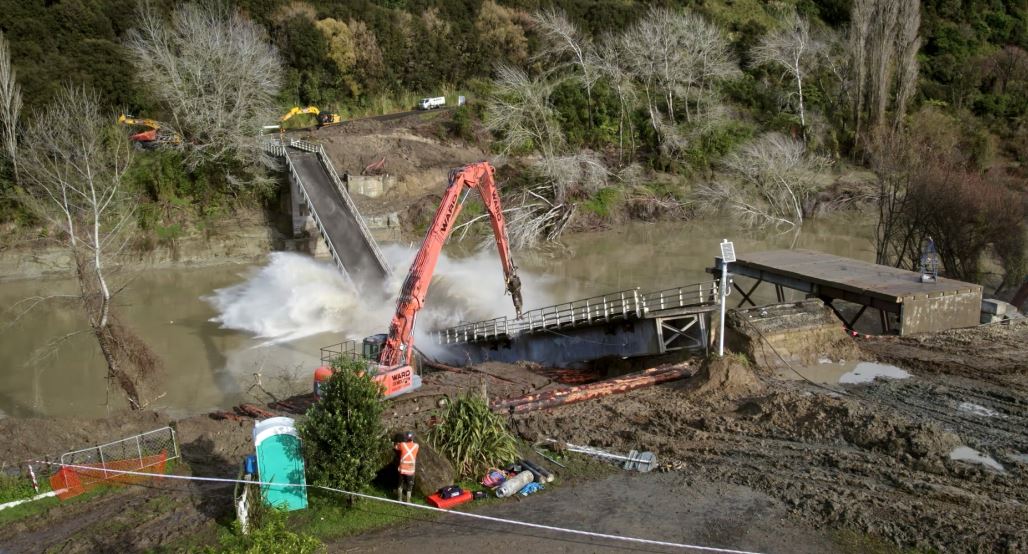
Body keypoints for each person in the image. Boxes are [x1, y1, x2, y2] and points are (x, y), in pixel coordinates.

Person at [394, 431, 419, 502]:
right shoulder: (416, 446)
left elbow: (396, 447)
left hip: (402, 469)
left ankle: (399, 499)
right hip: (410, 470)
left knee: (400, 484)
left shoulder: (402, 445)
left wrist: (397, 443)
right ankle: (408, 501)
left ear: (406, 438)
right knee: (409, 486)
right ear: (413, 438)